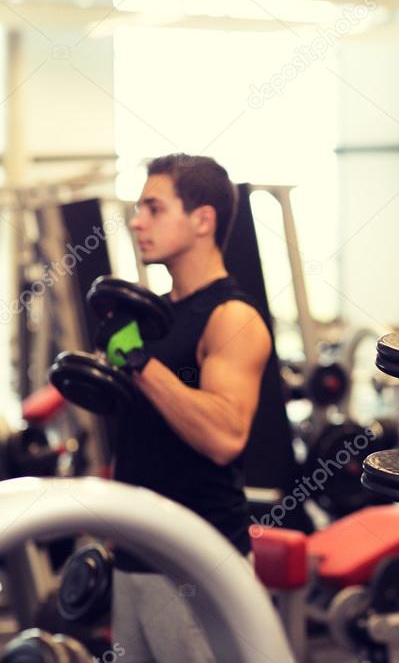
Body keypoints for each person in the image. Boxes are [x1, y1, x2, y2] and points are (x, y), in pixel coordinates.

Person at [110, 154, 272, 662]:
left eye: (154, 208)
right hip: (134, 554)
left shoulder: (232, 317)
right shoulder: (157, 316)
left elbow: (225, 437)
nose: (138, 221)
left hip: (196, 561)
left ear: (203, 219)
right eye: (138, 208)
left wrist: (139, 364)